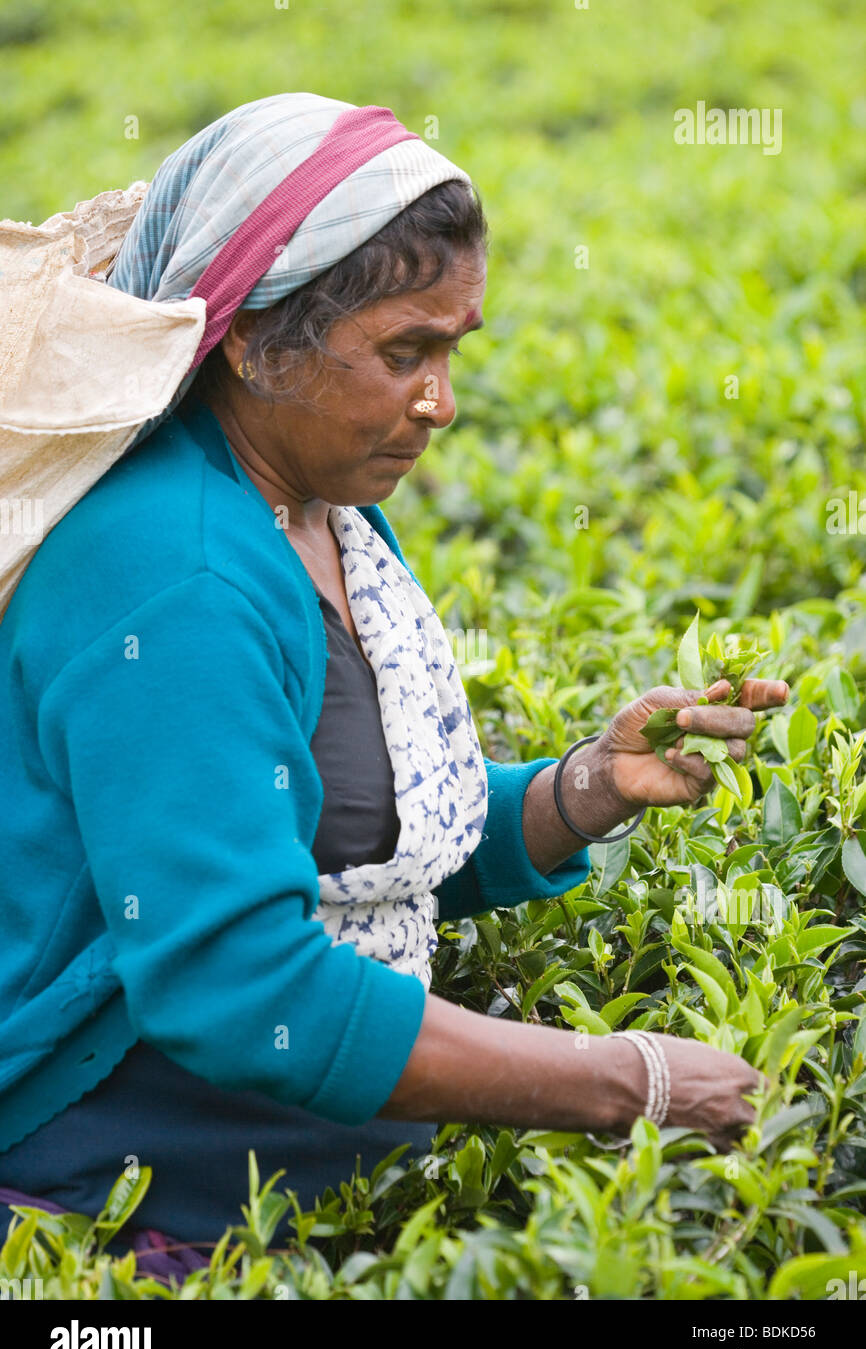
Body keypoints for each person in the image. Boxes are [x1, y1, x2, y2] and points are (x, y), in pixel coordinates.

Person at [0, 93, 789, 1277]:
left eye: (452, 351)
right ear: (257, 339)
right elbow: (235, 983)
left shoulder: (320, 510)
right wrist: (625, 1079)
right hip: (136, 1214)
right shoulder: (180, 578)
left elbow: (345, 848)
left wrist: (577, 792)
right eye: (402, 353)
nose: (441, 403)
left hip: (316, 1192)